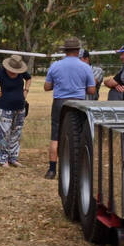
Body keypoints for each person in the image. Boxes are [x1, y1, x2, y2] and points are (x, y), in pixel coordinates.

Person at [42, 36, 94, 179]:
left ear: (65, 51)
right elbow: (91, 90)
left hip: (60, 102)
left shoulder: (55, 66)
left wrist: (58, 84)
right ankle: (75, 169)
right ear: (78, 51)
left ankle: (52, 170)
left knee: (55, 136)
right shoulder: (86, 67)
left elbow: (46, 87)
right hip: (78, 103)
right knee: (77, 135)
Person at [0, 54, 31, 167]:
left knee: (16, 133)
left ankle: (13, 158)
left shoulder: (21, 72)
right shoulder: (0, 73)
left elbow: (28, 78)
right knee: (4, 134)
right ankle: (3, 159)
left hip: (20, 108)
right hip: (4, 108)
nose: (14, 72)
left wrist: (26, 90)